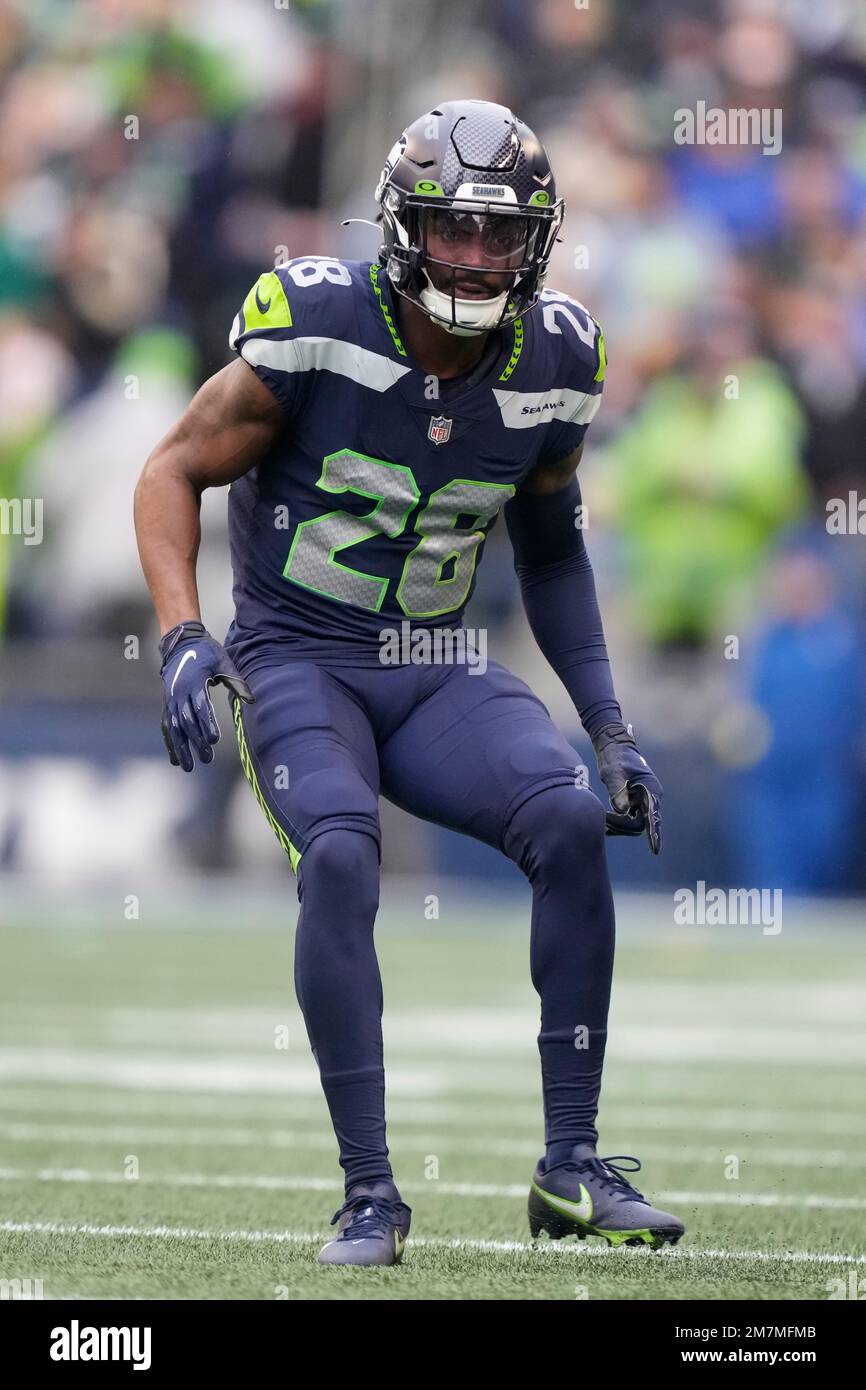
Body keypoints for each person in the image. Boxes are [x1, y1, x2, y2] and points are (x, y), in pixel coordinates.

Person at [134, 99, 683, 1266]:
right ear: (403, 226)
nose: (476, 257)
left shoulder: (557, 358)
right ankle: (369, 1193)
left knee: (568, 825)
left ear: (534, 241)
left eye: (499, 235)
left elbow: (551, 549)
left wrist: (607, 724)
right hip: (297, 656)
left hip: (434, 664)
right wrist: (184, 633)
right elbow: (171, 466)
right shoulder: (317, 322)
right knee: (338, 852)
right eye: (452, 230)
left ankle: (570, 1169)